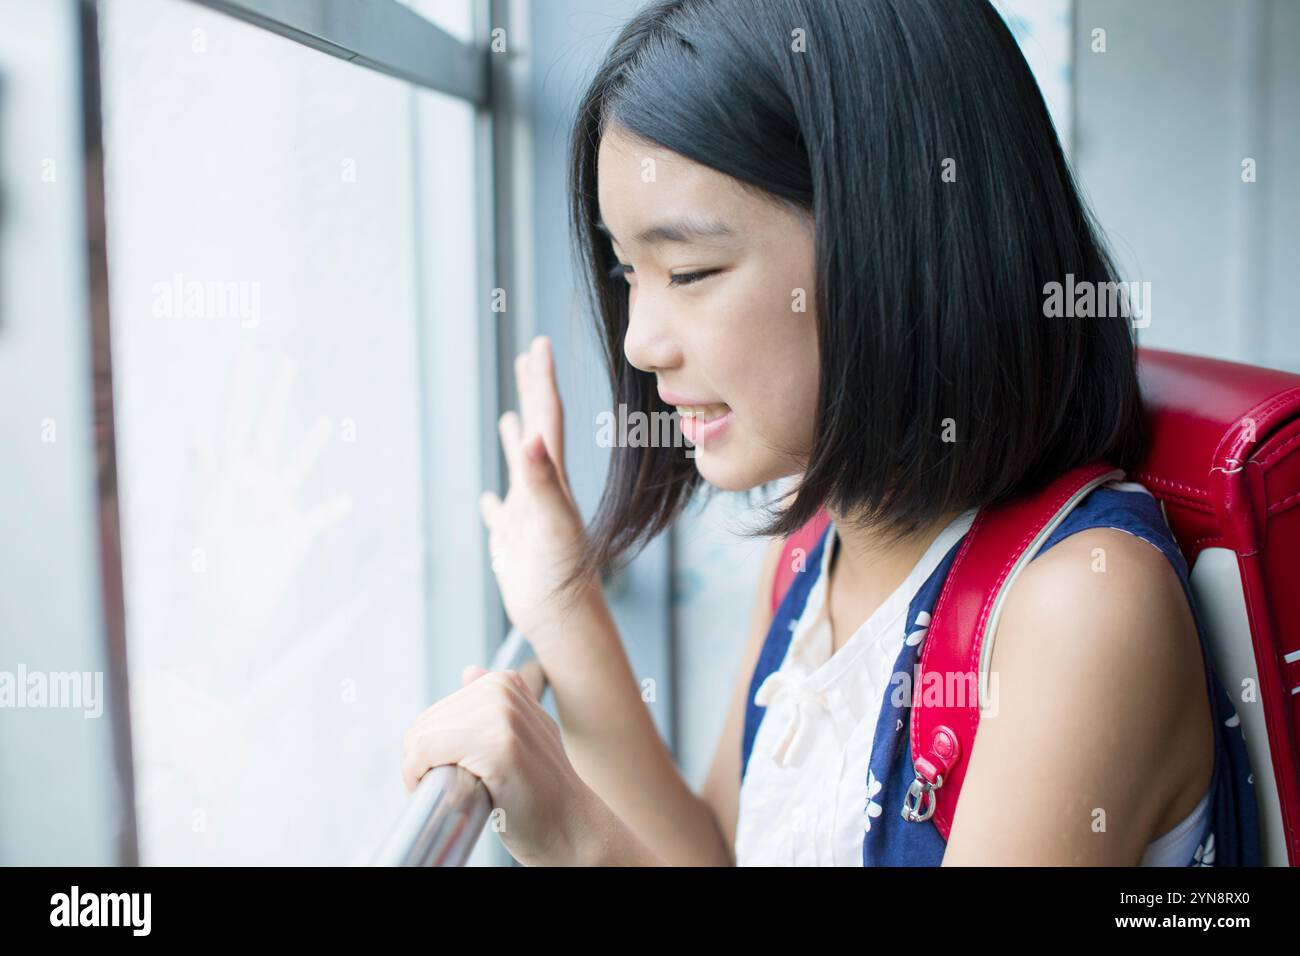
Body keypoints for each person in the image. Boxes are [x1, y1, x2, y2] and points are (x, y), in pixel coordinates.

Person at [400, 0, 1259, 866]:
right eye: (628, 271)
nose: (636, 341)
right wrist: (562, 604)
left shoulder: (1081, 610)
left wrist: (580, 845)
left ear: (898, 245)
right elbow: (713, 854)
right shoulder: (815, 548)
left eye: (689, 270)